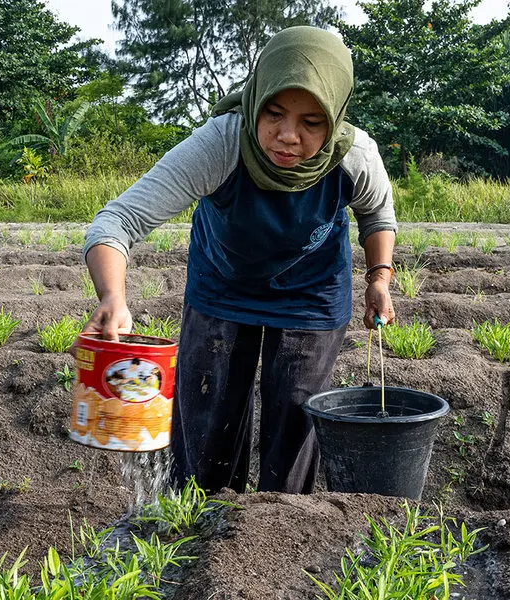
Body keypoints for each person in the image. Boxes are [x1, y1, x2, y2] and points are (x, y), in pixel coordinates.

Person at [80, 26, 397, 494]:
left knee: (295, 420)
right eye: (273, 113)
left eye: (312, 122)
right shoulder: (223, 143)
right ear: (255, 101)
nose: (288, 136)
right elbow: (117, 220)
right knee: (209, 425)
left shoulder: (355, 157)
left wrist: (379, 276)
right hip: (222, 286)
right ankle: (201, 531)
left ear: (335, 117)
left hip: (310, 294)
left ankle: (278, 535)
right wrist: (112, 296)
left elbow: (377, 213)